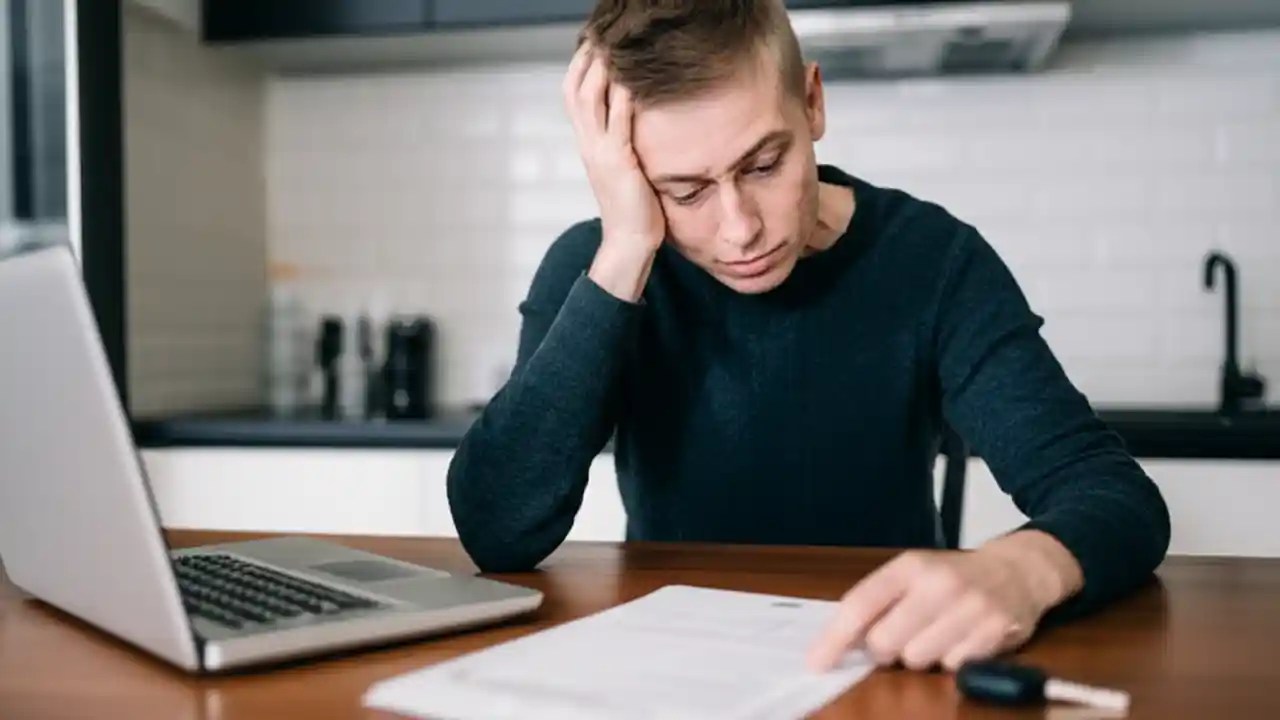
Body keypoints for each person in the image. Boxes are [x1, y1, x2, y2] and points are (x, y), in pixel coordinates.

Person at [447, 0, 1170, 673]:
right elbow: (497, 529)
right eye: (685, 192)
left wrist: (1018, 569)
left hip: (884, 661)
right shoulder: (599, 267)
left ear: (814, 103)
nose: (740, 228)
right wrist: (628, 248)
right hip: (674, 669)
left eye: (763, 165)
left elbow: (1114, 496)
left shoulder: (933, 260)